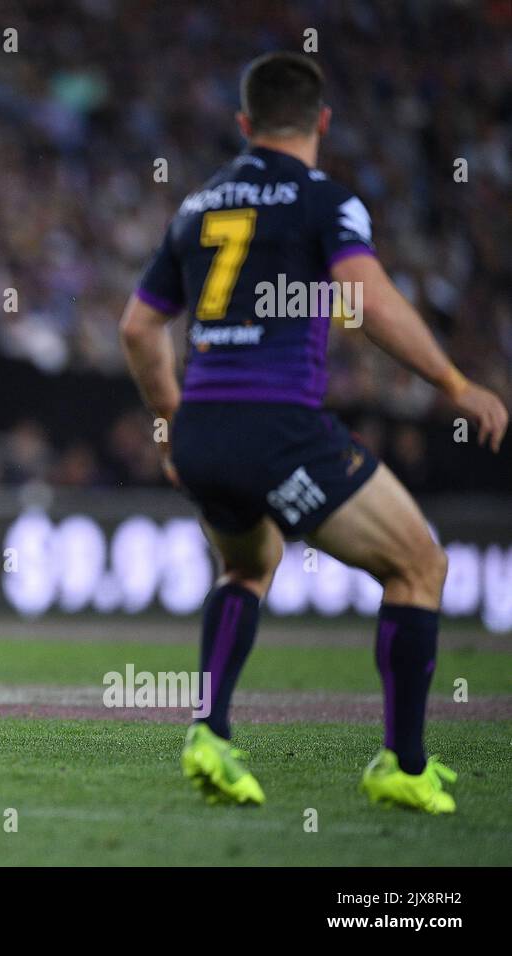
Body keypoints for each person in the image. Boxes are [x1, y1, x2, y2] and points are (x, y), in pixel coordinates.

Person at [120, 53, 508, 813]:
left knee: (248, 564)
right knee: (419, 566)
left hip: (203, 430)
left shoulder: (196, 206)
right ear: (322, 122)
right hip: (281, 429)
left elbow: (138, 329)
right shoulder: (325, 199)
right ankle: (402, 761)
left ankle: (211, 733)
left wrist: (171, 428)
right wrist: (455, 384)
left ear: (244, 125)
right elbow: (370, 302)